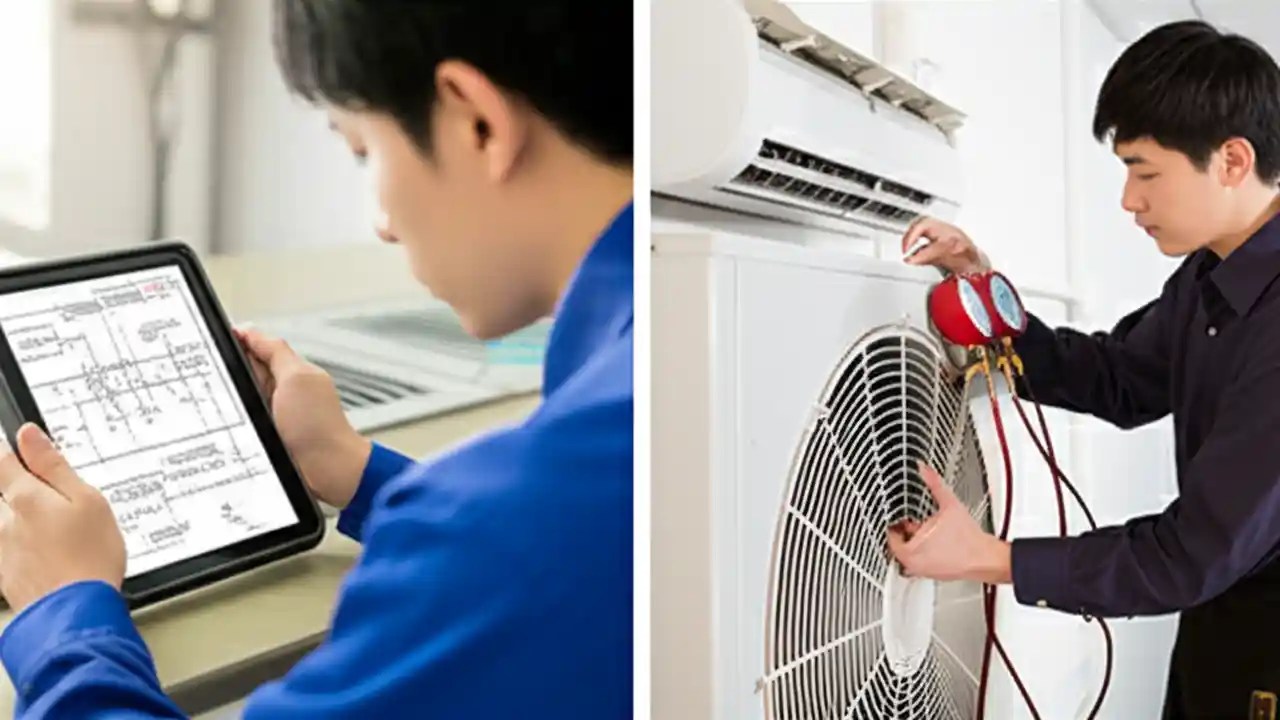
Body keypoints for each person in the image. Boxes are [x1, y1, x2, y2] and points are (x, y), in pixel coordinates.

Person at [0, 3, 633, 718]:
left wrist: (64, 610)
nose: (382, 224)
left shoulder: (510, 533)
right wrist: (361, 472)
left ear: (474, 122)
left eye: (365, 151)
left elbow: (514, 548)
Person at [885, 19, 1280, 718]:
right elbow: (1122, 377)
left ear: (1232, 160)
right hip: (1215, 634)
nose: (1130, 200)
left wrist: (987, 557)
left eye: (1146, 171)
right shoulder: (1208, 274)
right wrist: (989, 297)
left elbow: (1189, 554)